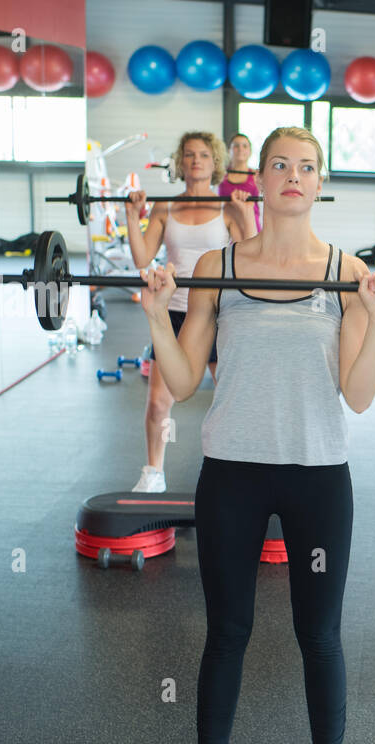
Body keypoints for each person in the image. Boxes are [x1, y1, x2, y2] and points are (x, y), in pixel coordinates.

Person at [138, 127, 375, 744]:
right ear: (259, 179)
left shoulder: (344, 271)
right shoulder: (219, 266)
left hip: (317, 473)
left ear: (319, 182)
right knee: (227, 630)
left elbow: (359, 394)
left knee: (320, 633)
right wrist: (159, 317)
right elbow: (185, 378)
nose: (292, 175)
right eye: (280, 163)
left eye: (306, 167)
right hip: (233, 473)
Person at [124, 132, 257, 493]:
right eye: (188, 155)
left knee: (233, 399)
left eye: (202, 155)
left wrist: (246, 216)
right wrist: (131, 215)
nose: (195, 160)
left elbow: (252, 262)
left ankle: (241, 471)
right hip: (174, 315)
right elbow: (142, 258)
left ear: (215, 163)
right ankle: (153, 474)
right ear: (180, 163)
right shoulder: (165, 206)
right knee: (157, 403)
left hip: (215, 315)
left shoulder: (228, 208)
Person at [220, 133, 262, 235]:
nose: (240, 149)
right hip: (225, 230)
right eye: (236, 146)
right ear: (229, 150)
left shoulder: (257, 176)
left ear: (250, 151)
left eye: (244, 146)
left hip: (252, 229)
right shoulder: (220, 176)